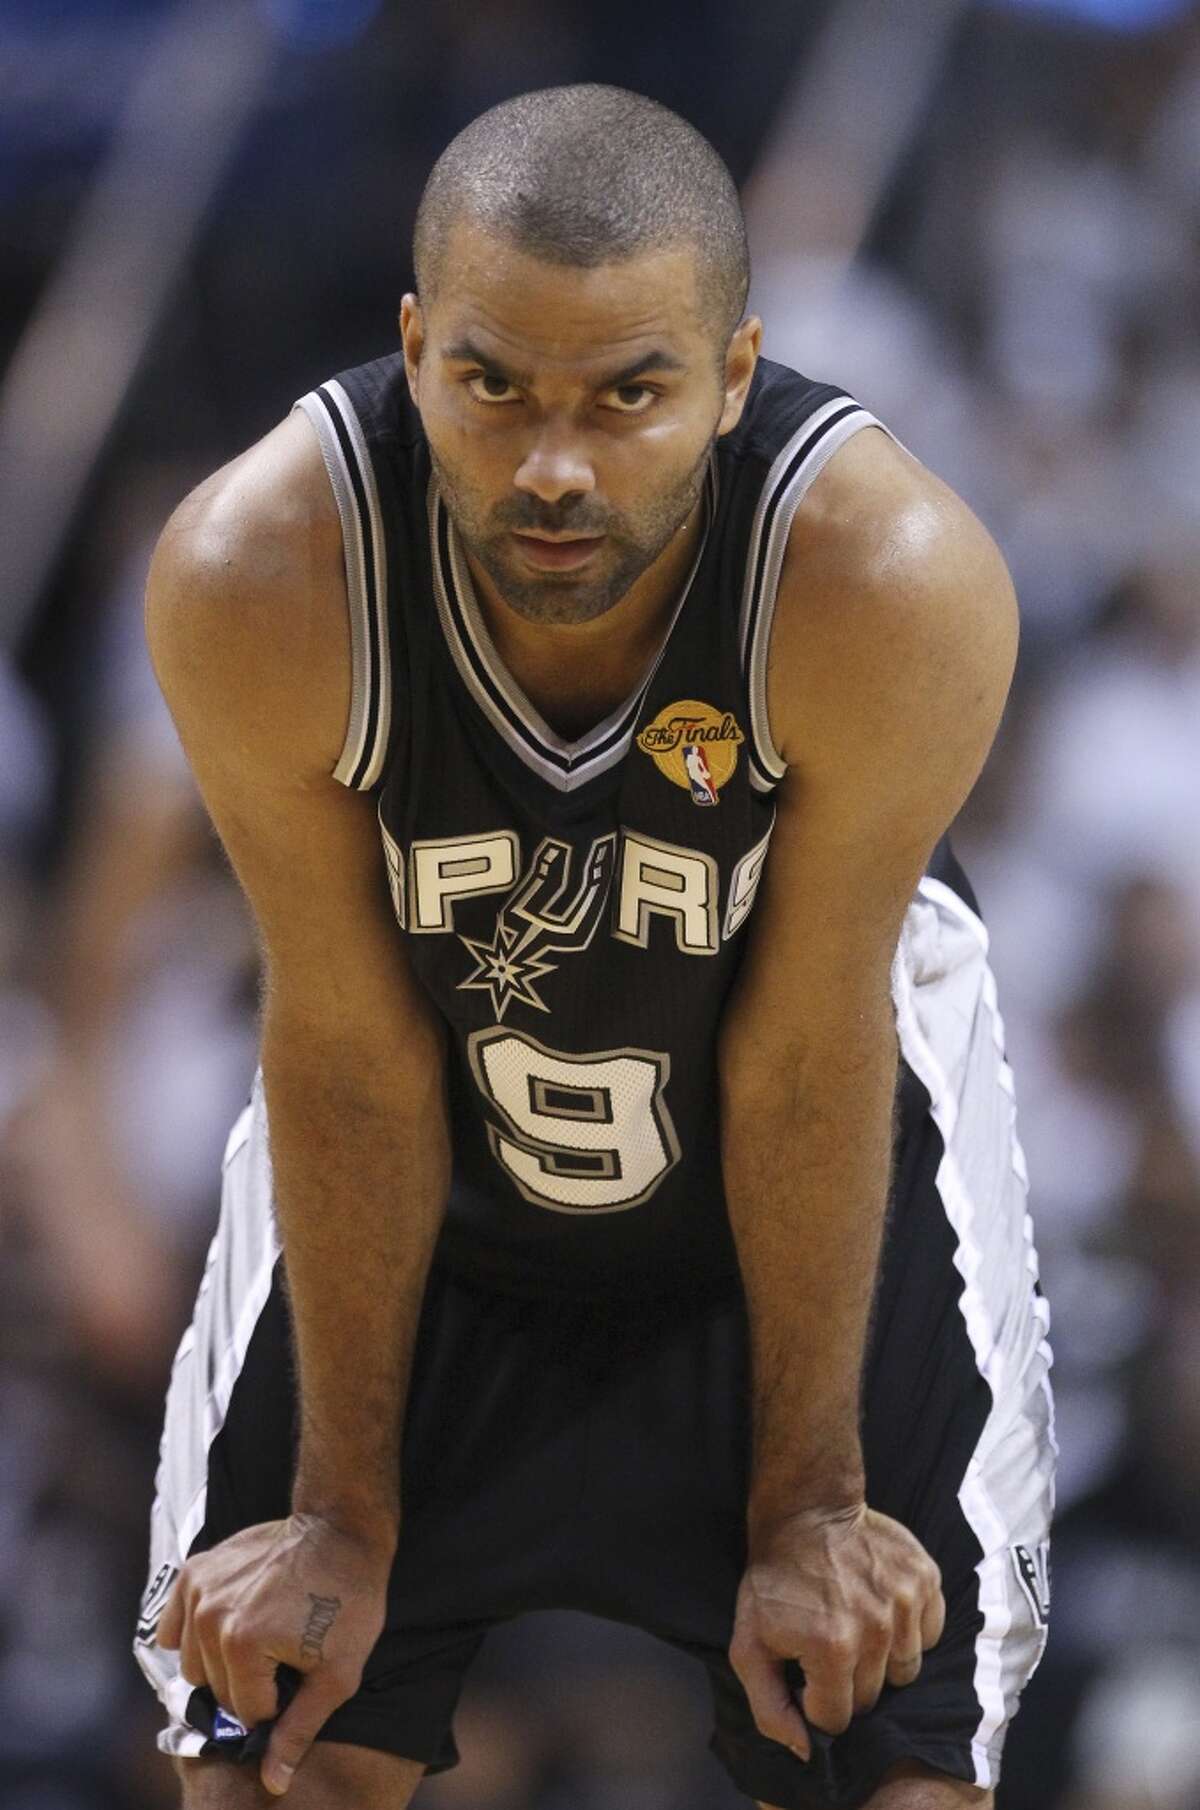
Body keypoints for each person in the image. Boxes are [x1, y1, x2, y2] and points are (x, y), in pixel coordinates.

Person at [132, 84, 1054, 1810]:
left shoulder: (885, 578)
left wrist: (811, 1503)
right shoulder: (263, 565)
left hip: (815, 1182)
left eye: (629, 394)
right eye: (494, 385)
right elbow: (343, 1040)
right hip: (427, 1192)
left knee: (895, 1750)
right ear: (415, 352)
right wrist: (339, 1513)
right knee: (264, 1735)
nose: (553, 465)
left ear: (734, 374)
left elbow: (808, 1045)